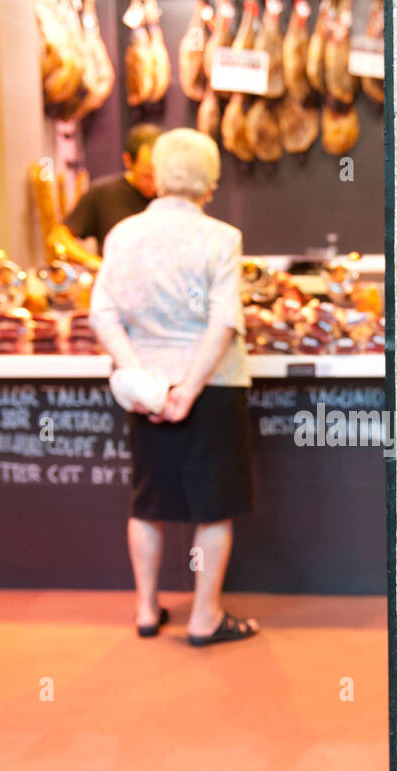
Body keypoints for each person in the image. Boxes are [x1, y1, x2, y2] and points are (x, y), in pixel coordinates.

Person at [89, 128, 259, 648]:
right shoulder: (221, 237)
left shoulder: (122, 234)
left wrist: (143, 379)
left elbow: (102, 314)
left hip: (148, 388)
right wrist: (188, 390)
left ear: (157, 175)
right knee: (213, 506)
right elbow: (222, 322)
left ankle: (145, 611)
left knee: (148, 502)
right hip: (212, 386)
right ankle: (204, 619)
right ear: (209, 181)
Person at [56, 123, 162, 256]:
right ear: (128, 160)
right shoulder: (102, 193)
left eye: (158, 176)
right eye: (147, 176)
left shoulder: (170, 197)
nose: (154, 185)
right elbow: (59, 237)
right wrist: (93, 263)